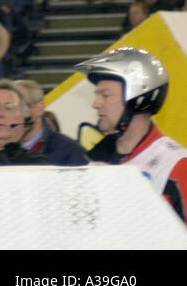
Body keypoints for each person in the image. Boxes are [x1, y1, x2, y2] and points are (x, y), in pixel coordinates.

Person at [77, 48, 186, 221]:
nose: (96, 104)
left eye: (106, 96)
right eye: (97, 95)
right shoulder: (93, 160)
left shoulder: (175, 164)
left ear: (138, 100)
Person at [14, 80, 88, 166]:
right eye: (10, 108)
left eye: (23, 106)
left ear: (39, 108)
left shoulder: (69, 151)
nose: (16, 114)